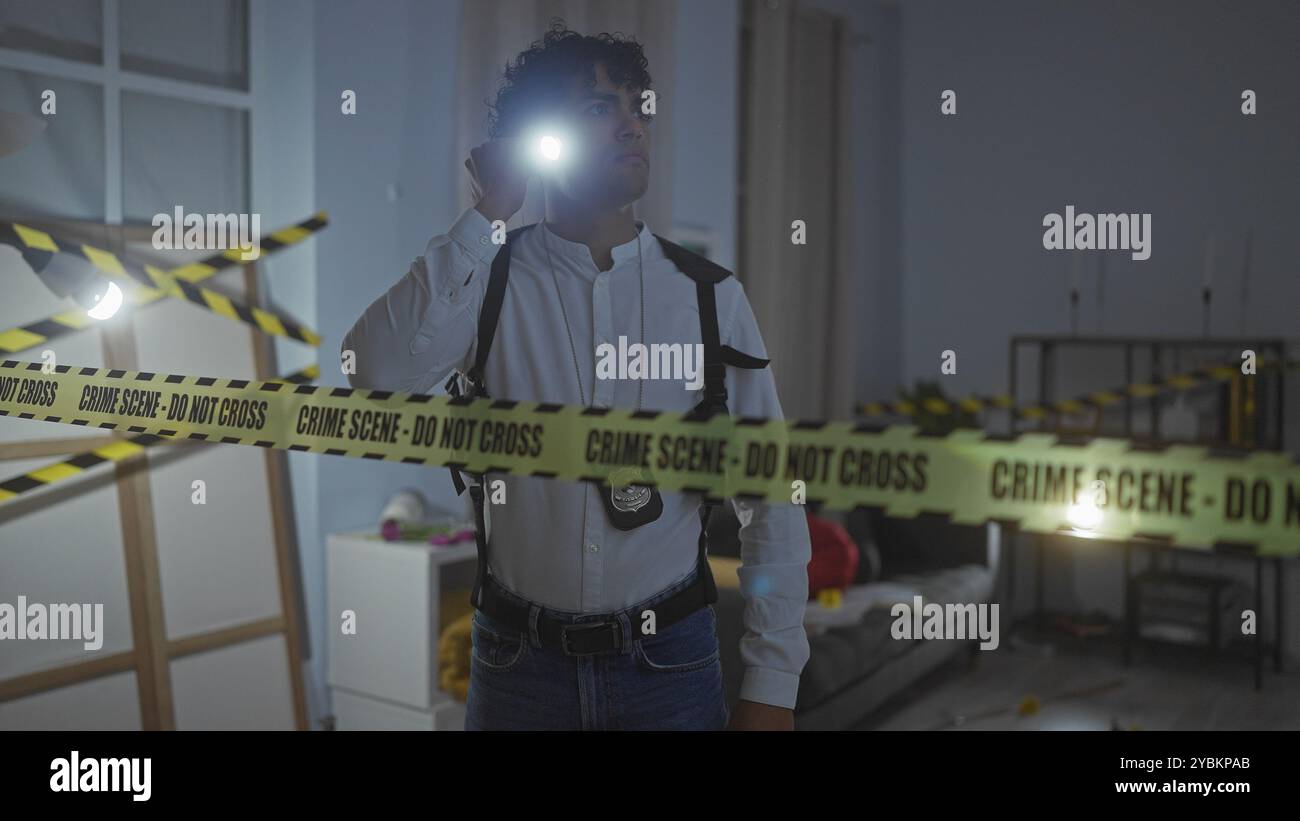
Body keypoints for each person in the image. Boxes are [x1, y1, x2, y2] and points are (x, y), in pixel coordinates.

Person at [343, 22, 810, 730]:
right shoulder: (486, 278)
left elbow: (773, 496)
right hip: (515, 672)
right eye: (599, 108)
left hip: (671, 667)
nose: (630, 125)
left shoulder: (712, 297)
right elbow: (374, 374)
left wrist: (773, 682)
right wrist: (488, 213)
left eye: (635, 104)